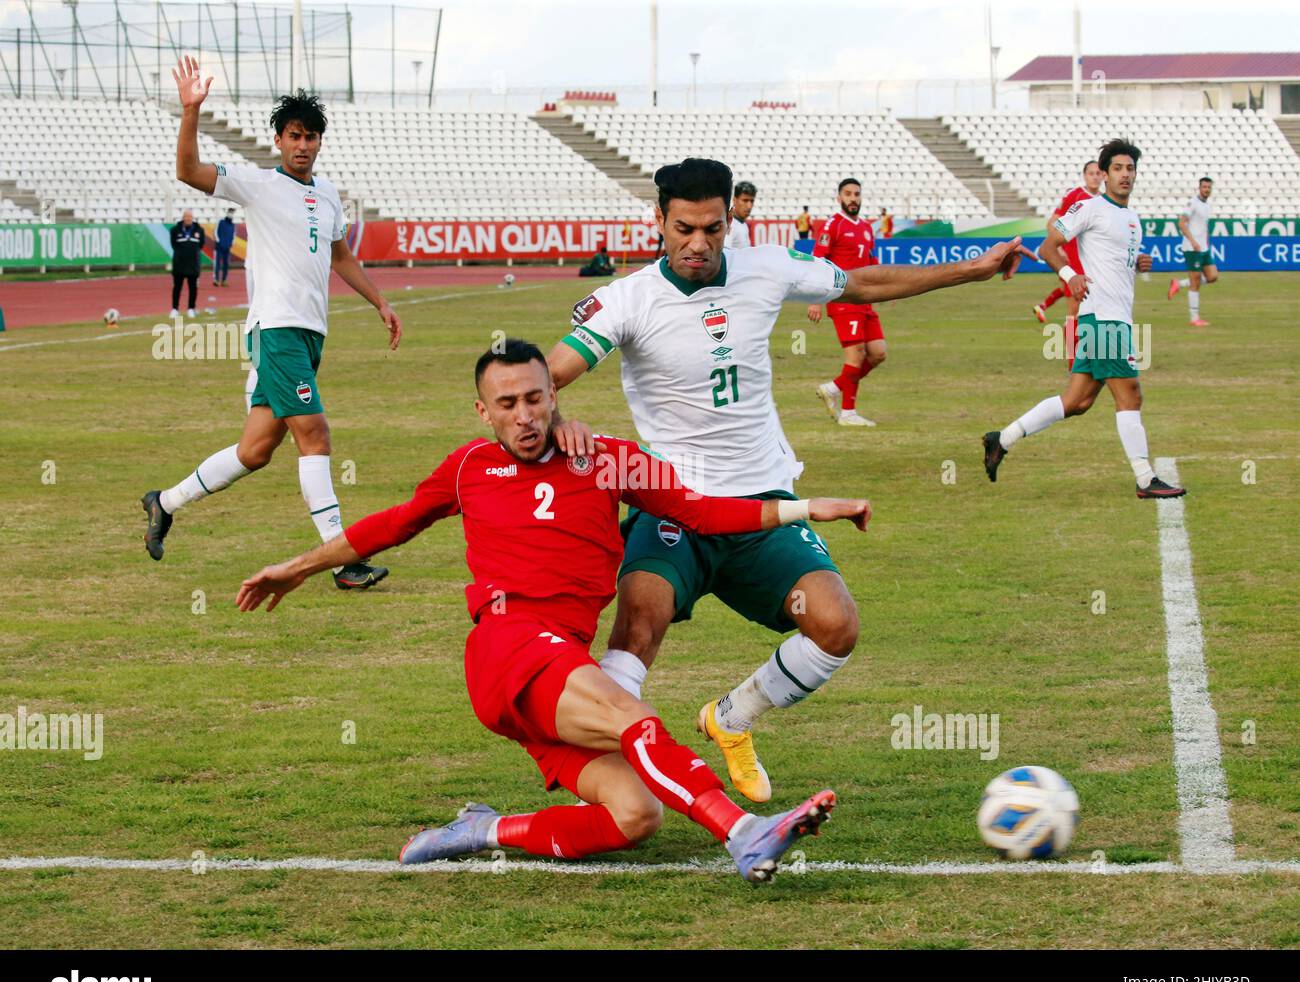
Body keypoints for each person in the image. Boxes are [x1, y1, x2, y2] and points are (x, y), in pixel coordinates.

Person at [237, 340, 876, 882]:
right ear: (483, 411)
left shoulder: (607, 458)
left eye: (535, 398)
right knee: (633, 716)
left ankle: (484, 831)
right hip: (509, 645)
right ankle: (743, 833)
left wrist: (804, 506)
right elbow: (395, 524)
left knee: (634, 817)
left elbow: (704, 512)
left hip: (556, 660)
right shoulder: (467, 466)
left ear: (554, 392)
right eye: (507, 404)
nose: (524, 415)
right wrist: (295, 567)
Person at [545, 157, 1030, 803]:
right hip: (675, 508)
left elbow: (861, 283)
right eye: (684, 228)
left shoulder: (766, 267)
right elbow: (545, 376)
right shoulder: (626, 300)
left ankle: (732, 718)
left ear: (727, 222)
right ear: (658, 221)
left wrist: (969, 269)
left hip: (765, 500)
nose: (699, 244)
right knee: (637, 628)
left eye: (712, 228)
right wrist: (557, 417)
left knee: (835, 626)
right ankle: (600, 781)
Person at [142, 55, 402, 592]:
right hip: (277, 328)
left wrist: (380, 301)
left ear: (320, 142)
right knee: (316, 435)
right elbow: (187, 171)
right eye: (294, 135)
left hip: (309, 334)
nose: (303, 144)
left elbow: (341, 257)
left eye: (311, 136)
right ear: (279, 140)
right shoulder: (256, 184)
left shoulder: (328, 194)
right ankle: (342, 562)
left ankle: (164, 502)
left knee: (255, 451)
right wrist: (191, 111)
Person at [983, 138, 1186, 500]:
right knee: (1130, 395)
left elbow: (1113, 263)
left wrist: (1137, 264)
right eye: (1118, 169)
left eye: (1130, 169)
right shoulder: (1089, 207)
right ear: (1104, 174)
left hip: (1111, 318)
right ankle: (1145, 479)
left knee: (1077, 401)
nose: (1125, 175)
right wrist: (1068, 276)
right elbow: (1049, 246)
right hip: (1104, 320)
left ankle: (1003, 438)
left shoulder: (1132, 218)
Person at [809, 177, 886, 427]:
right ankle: (848, 413)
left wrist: (886, 290)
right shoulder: (833, 226)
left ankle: (833, 388)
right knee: (855, 356)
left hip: (865, 301)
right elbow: (817, 262)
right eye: (848, 194)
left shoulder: (865, 227)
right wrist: (815, 301)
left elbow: (872, 264)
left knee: (877, 353)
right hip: (842, 299)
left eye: (856, 194)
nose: (853, 198)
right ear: (839, 198)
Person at [1033, 160, 1104, 368]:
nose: (1095, 177)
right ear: (1084, 175)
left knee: (1092, 310)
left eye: (1098, 173)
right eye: (1091, 173)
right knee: (1074, 309)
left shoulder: (1103, 200)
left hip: (1092, 262)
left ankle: (1088, 356)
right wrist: (1060, 248)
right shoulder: (1074, 195)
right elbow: (1052, 222)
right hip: (1073, 261)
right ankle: (1074, 363)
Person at [1168, 177, 1216, 326]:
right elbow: (1181, 223)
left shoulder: (1208, 206)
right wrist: (1193, 241)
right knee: (1195, 281)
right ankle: (1194, 318)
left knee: (1212, 276)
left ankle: (1179, 283)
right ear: (1199, 188)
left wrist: (1206, 243)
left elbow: (1204, 227)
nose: (1206, 189)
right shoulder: (1192, 203)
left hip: (1204, 248)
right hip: (1192, 248)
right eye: (1204, 187)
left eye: (1209, 187)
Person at [169, 209, 204, 318]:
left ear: (192, 218)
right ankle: (175, 309)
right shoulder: (175, 230)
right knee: (177, 288)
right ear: (183, 218)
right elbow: (173, 245)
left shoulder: (199, 230)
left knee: (193, 288)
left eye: (189, 216)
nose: (188, 218)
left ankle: (191, 309)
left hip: (193, 265)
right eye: (186, 216)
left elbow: (201, 245)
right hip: (179, 264)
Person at [725, 180, 756, 250]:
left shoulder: (743, 224)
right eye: (745, 200)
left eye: (752, 201)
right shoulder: (730, 225)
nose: (749, 206)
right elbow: (725, 253)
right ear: (734, 200)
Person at [214, 208, 236, 286]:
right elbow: (216, 232)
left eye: (232, 213)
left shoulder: (233, 225)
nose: (231, 214)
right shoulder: (221, 222)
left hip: (227, 248)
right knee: (218, 264)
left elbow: (234, 235)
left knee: (226, 264)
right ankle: (216, 279)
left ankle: (224, 280)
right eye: (230, 212)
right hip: (219, 247)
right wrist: (218, 241)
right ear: (227, 213)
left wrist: (231, 244)